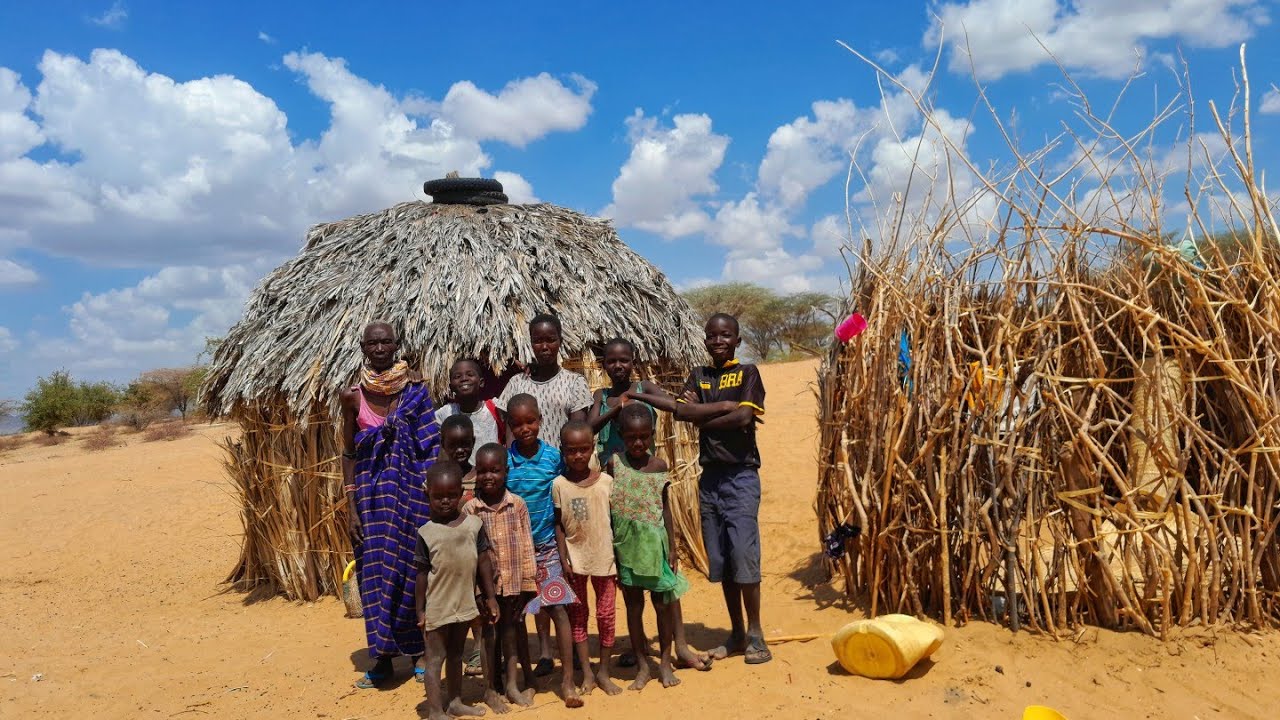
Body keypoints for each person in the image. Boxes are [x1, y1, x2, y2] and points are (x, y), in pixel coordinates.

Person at [634, 312, 771, 665]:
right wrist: (725, 406)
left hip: (740, 476)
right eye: (712, 335)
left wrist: (707, 416)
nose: (718, 341)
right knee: (722, 558)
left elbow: (744, 417)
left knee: (743, 552)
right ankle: (737, 632)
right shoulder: (700, 375)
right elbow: (682, 412)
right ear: (706, 340)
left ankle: (756, 634)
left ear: (738, 339)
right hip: (709, 479)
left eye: (726, 335)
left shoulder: (748, 373)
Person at [339, 321, 440, 688]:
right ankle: (381, 659)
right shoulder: (351, 396)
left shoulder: (416, 392)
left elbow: (430, 448)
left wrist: (431, 499)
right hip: (370, 501)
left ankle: (418, 653)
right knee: (376, 573)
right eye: (373, 343)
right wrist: (350, 505)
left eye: (387, 342)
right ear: (363, 347)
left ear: (396, 345)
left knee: (413, 570)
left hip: (412, 495)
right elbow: (349, 452)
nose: (380, 348)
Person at [496, 313, 592, 674]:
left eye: (551, 339)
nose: (545, 345)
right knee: (531, 585)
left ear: (560, 339)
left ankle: (573, 647)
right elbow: (507, 429)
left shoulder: (573, 382)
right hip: (524, 478)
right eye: (538, 339)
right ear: (531, 342)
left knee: (559, 570)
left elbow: (579, 427)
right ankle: (546, 652)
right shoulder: (516, 384)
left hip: (558, 474)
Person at [608, 404, 711, 689]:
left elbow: (665, 508)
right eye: (631, 437)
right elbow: (609, 509)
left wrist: (674, 547)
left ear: (652, 435)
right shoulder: (614, 464)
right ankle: (643, 665)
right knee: (633, 607)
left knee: (663, 606)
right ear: (621, 435)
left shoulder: (659, 466)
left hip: (656, 547)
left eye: (643, 437)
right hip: (627, 548)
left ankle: (664, 664)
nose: (638, 443)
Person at [504, 394, 583, 707]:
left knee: (558, 608)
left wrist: (564, 548)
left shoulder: (553, 457)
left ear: (539, 420)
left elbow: (563, 499)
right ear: (509, 426)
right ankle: (529, 678)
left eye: (530, 421)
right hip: (516, 552)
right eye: (517, 424)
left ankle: (567, 681)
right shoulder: (505, 460)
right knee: (520, 615)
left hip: (547, 548)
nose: (525, 428)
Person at [414, 461, 500, 720]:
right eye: (438, 496)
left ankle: (455, 702)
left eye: (451, 495)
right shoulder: (426, 533)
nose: (445, 501)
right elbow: (420, 575)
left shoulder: (473, 525)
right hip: (438, 605)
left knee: (455, 654)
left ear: (462, 492)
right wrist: (420, 610)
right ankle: (435, 710)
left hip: (464, 602)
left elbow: (484, 561)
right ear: (427, 493)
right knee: (435, 657)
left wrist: (491, 597)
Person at [463, 443, 539, 710]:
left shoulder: (516, 505)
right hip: (486, 588)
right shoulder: (471, 510)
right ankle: (490, 688)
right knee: (486, 636)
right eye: (482, 471)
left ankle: (512, 685)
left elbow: (527, 545)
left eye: (495, 470)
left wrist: (529, 584)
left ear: (505, 472)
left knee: (511, 632)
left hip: (513, 583)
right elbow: (467, 553)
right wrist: (478, 591)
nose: (488, 476)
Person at [553, 421, 622, 696]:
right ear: (563, 452)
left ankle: (604, 671)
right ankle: (588, 672)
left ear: (593, 448)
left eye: (584, 449)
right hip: (576, 560)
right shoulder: (559, 485)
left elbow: (615, 522)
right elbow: (559, 523)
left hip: (604, 559)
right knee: (578, 616)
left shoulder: (606, 483)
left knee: (606, 615)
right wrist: (562, 556)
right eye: (572, 451)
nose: (578, 456)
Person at [588, 338, 674, 467]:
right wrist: (616, 409)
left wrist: (633, 395)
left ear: (632, 363)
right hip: (612, 471)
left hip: (644, 469)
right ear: (604, 365)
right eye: (611, 361)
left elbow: (672, 404)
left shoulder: (644, 388)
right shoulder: (601, 395)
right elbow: (588, 429)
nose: (618, 366)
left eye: (624, 360)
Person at [435, 359, 506, 462]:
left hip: (490, 473)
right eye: (457, 377)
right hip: (461, 476)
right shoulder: (446, 413)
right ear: (451, 387)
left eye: (470, 374)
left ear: (481, 382)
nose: (464, 379)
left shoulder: (495, 407)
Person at [439, 414, 477, 499]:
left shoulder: (481, 477)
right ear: (443, 444)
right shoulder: (436, 477)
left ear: (473, 442)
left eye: (465, 444)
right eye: (453, 445)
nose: (459, 450)